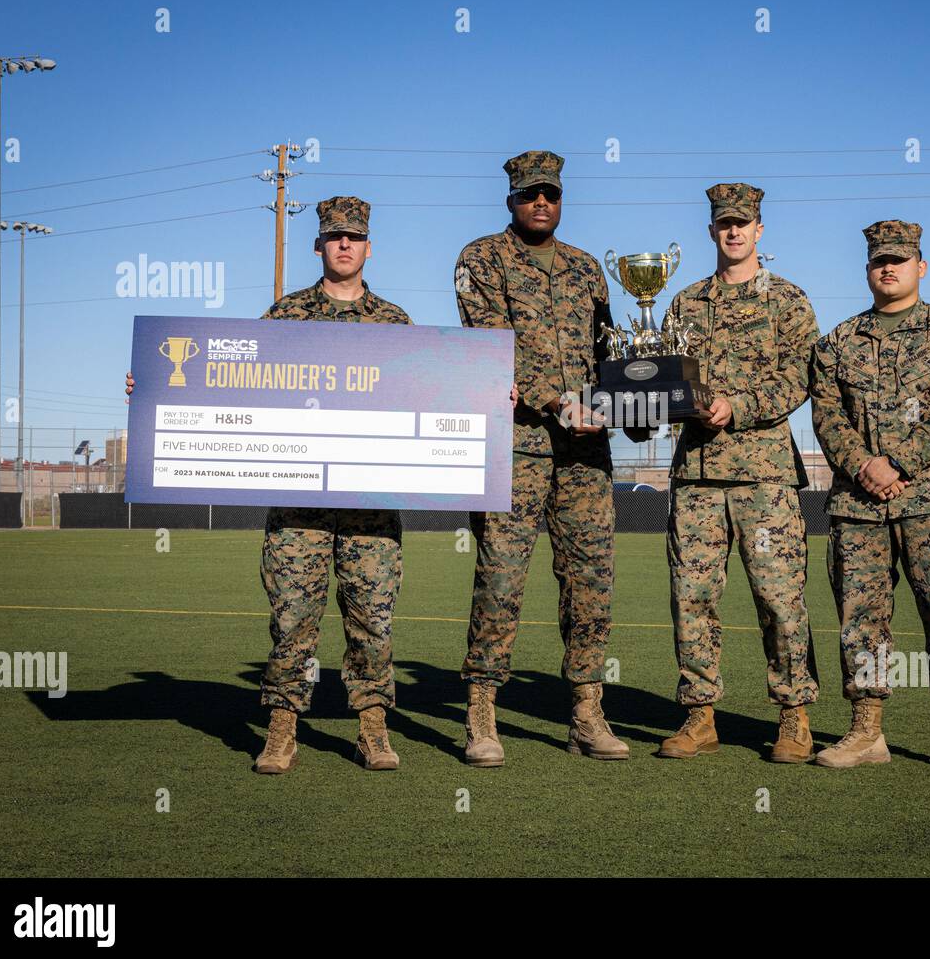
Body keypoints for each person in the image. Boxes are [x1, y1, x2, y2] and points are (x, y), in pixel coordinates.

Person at [127, 196, 410, 774]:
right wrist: (156, 386)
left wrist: (488, 399)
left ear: (369, 246)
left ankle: (373, 730)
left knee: (372, 619)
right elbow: (228, 380)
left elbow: (429, 394)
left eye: (354, 236)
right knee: (292, 618)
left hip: (370, 507)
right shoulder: (284, 318)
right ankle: (282, 729)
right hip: (298, 504)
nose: (345, 244)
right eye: (334, 236)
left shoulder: (396, 324)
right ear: (319, 245)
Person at [453, 150, 627, 767]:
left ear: (561, 198)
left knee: (591, 582)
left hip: (585, 453)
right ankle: (481, 713)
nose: (541, 203)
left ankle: (586, 710)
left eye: (550, 194)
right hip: (514, 446)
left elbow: (612, 356)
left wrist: (638, 405)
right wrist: (553, 397)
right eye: (529, 195)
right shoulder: (481, 259)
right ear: (511, 200)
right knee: (500, 580)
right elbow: (487, 343)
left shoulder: (587, 269)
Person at [809, 219, 930, 775]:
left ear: (921, 267)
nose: (888, 268)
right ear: (867, 269)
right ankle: (866, 733)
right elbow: (826, 414)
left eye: (899, 260)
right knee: (860, 618)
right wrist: (864, 464)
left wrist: (898, 462)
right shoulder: (839, 341)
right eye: (878, 261)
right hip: (858, 504)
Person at [652, 182, 820, 762]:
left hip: (764, 478)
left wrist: (738, 406)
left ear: (759, 230)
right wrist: (640, 405)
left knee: (779, 599)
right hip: (697, 477)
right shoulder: (683, 302)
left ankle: (794, 716)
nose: (733, 231)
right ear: (712, 231)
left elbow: (801, 377)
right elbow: (666, 377)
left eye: (742, 223)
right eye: (724, 223)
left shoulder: (789, 301)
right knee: (691, 598)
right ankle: (699, 715)